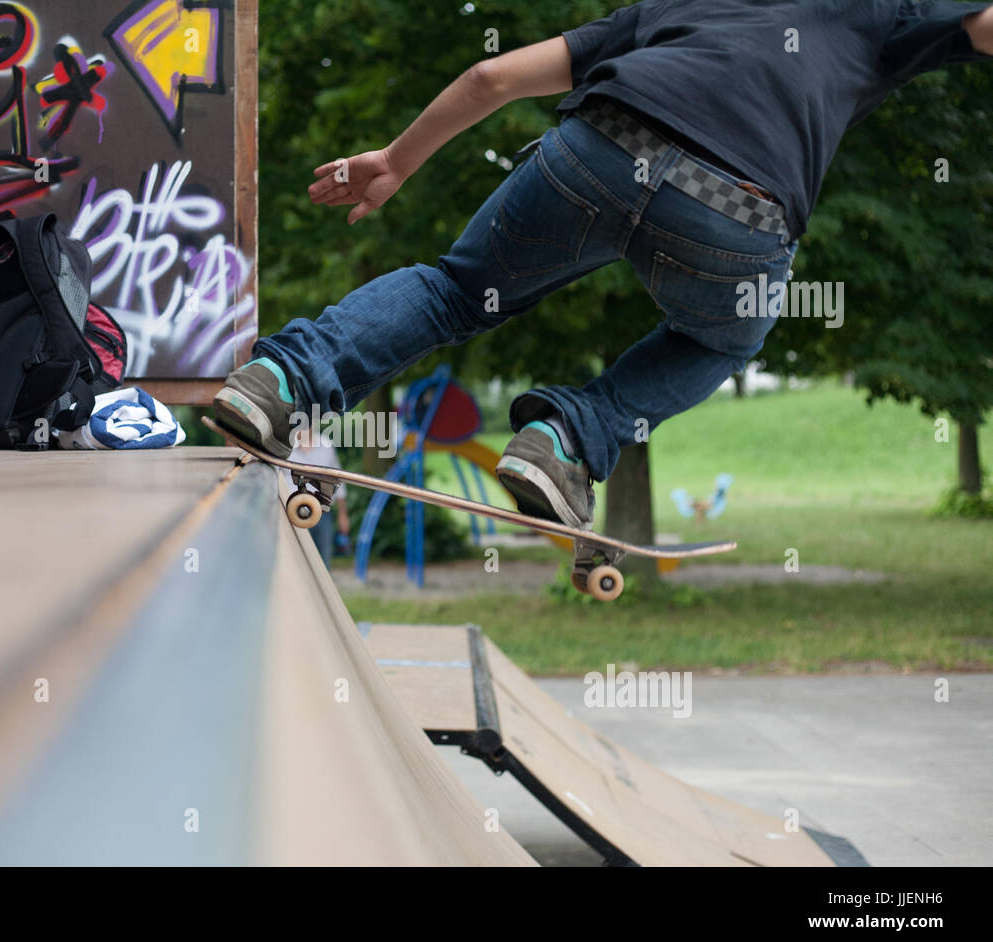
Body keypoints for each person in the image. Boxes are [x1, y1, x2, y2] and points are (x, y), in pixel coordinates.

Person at [214, 0, 993, 530]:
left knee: (455, 291)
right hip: (738, 212)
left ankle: (279, 383)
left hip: (599, 149)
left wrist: (395, 162)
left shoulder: (668, 10)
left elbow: (493, 79)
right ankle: (568, 440)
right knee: (720, 341)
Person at [283, 425, 352, 563]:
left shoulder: (326, 445)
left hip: (322, 512)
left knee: (323, 559)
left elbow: (338, 480)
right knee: (295, 560)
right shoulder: (285, 447)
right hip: (291, 513)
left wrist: (343, 514)